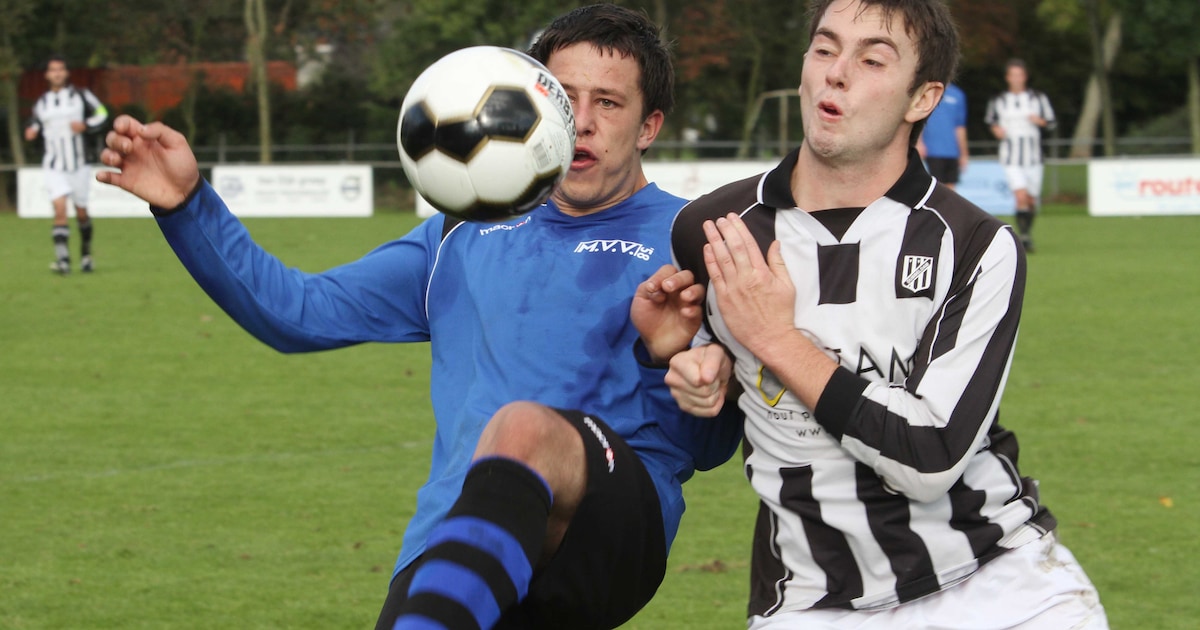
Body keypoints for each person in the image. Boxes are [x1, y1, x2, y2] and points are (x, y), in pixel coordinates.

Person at [97, 5, 741, 630]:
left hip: (609, 533)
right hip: (458, 535)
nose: (584, 121)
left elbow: (712, 447)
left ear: (649, 126)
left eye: (609, 102)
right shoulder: (462, 231)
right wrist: (187, 206)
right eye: (565, 96)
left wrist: (664, 358)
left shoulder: (691, 238)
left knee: (520, 427)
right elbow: (296, 313)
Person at [640, 1, 1107, 628]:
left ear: (923, 98)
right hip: (812, 602)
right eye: (825, 49)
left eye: (871, 59)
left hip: (998, 586)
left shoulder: (973, 243)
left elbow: (930, 455)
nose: (837, 73)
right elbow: (729, 382)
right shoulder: (712, 229)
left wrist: (778, 339)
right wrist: (680, 357)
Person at [25, 54, 109, 274]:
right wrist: (32, 129)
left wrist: (86, 124)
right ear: (47, 74)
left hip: (79, 163)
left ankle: (86, 254)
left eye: (60, 69)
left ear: (66, 72)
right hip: (54, 165)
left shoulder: (81, 95)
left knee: (81, 212)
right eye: (53, 70)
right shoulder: (42, 102)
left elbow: (102, 113)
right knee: (59, 208)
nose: (57, 73)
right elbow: (35, 120)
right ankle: (63, 260)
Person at [985, 58, 1056, 253]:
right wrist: (996, 130)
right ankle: (1023, 238)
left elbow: (1051, 123)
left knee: (1031, 199)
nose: (1016, 78)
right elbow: (991, 121)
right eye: (1013, 75)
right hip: (1011, 157)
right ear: (1008, 78)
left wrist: (1038, 121)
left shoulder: (1037, 98)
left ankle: (1027, 232)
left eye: (1020, 75)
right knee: (1020, 195)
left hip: (1033, 157)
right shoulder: (999, 100)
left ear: (1025, 77)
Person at [917, 81, 967, 189]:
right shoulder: (927, 91)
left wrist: (963, 153)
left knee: (951, 188)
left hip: (952, 151)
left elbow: (960, 126)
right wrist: (919, 142)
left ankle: (948, 206)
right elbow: (919, 118)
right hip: (932, 150)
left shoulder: (957, 94)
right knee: (935, 187)